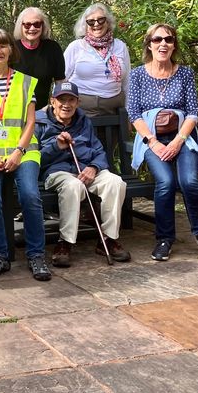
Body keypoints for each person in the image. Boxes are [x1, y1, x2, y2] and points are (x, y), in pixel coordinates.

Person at [127, 24, 198, 261]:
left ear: (174, 45)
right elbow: (134, 113)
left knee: (190, 181)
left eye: (168, 39)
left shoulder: (185, 73)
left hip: (182, 136)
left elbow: (193, 112)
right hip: (152, 139)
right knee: (166, 182)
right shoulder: (137, 74)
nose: (163, 44)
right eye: (157, 39)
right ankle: (164, 238)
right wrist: (153, 142)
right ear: (149, 44)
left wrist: (179, 140)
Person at [0, 29, 51, 281]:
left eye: (3, 45)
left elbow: (31, 122)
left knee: (30, 195)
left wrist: (18, 152)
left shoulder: (26, 81)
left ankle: (36, 255)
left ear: (11, 50)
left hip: (23, 152)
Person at [35, 81, 130, 267]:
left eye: (71, 100)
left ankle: (108, 239)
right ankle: (65, 242)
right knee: (73, 185)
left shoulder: (83, 121)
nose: (66, 105)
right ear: (52, 101)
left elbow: (99, 150)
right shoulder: (39, 121)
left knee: (115, 182)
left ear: (78, 102)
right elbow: (34, 159)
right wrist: (56, 147)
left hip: (86, 169)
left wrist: (94, 167)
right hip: (57, 172)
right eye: (61, 100)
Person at [64, 3, 130, 117]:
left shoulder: (120, 46)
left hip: (114, 110)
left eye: (101, 20)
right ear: (85, 25)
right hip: (81, 110)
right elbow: (61, 79)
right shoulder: (76, 46)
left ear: (108, 22)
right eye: (91, 21)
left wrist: (129, 114)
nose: (96, 24)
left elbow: (128, 82)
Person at [13, 7, 65, 109]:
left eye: (37, 24)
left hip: (42, 110)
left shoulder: (53, 48)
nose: (32, 28)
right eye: (27, 25)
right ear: (21, 26)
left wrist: (56, 106)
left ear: (43, 26)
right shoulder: (11, 48)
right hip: (14, 110)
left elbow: (60, 82)